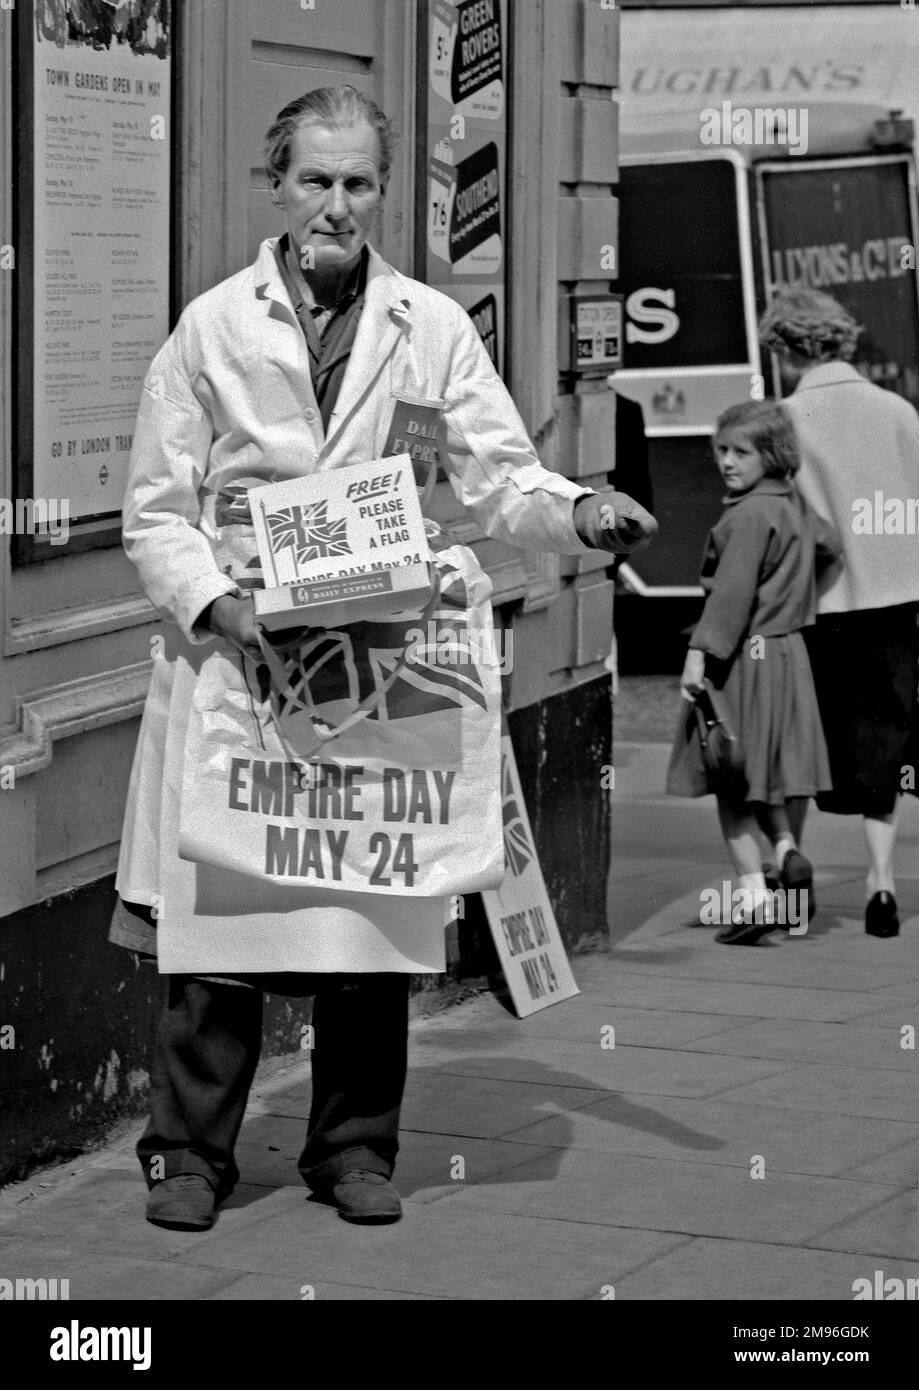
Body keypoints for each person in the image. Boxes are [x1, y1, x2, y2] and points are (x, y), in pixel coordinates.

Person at [109, 85, 657, 1231]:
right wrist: (218, 607)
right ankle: (190, 1156)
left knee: (371, 908)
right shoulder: (212, 326)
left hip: (381, 664)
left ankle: (353, 1147)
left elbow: (501, 474)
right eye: (317, 178)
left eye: (360, 182)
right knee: (222, 915)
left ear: (382, 191)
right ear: (278, 182)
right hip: (242, 663)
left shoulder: (433, 327)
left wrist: (581, 512)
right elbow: (156, 511)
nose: (338, 204)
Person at [761, 289, 919, 938]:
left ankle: (793, 894)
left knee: (805, 741)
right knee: (886, 740)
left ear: (786, 350)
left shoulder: (780, 421)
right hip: (896, 600)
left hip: (818, 605)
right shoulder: (898, 412)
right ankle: (880, 885)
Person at [667, 401, 840, 944]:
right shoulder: (792, 503)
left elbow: (731, 598)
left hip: (746, 658)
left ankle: (751, 897)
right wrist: (800, 599)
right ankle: (787, 854)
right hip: (790, 655)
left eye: (741, 451)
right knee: (775, 775)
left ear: (773, 453)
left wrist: (699, 654)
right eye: (721, 450)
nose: (727, 462)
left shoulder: (744, 516)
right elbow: (831, 548)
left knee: (732, 780)